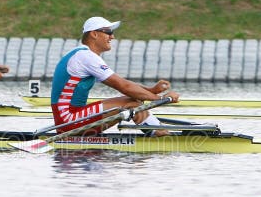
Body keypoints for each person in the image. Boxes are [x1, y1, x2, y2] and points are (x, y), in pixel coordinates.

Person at [50, 16, 180, 136]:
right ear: (94, 34)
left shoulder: (83, 54)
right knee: (130, 103)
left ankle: (158, 131)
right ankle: (161, 134)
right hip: (68, 121)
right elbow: (124, 86)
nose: (112, 37)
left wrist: (151, 90)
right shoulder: (85, 56)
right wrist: (160, 98)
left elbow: (123, 83)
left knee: (132, 100)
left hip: (72, 118)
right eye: (108, 32)